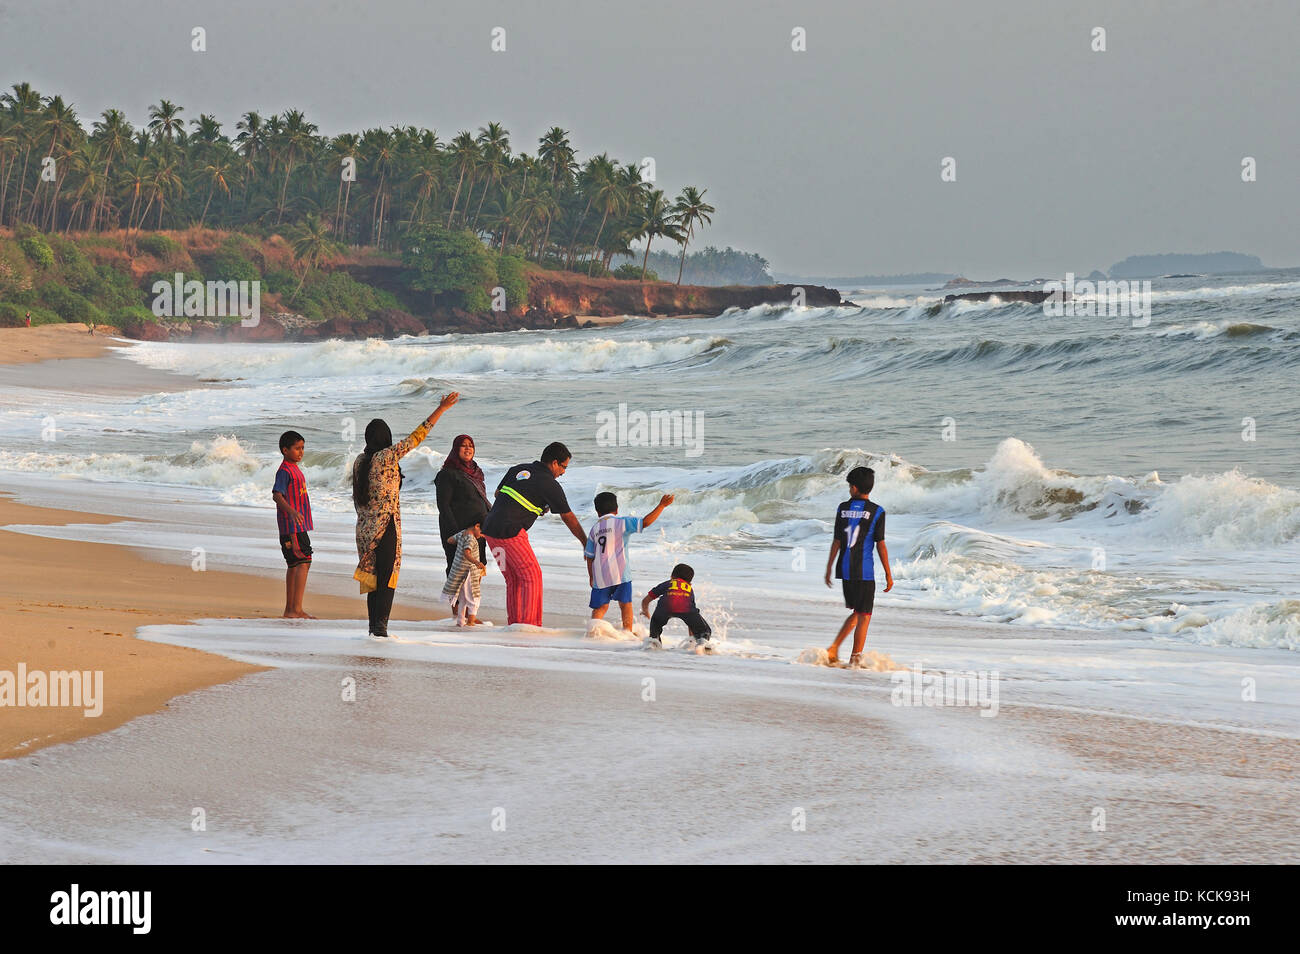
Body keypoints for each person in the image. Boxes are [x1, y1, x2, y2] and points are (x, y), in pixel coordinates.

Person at [352, 392, 459, 638]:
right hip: (385, 526)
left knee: (372, 579)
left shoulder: (361, 461)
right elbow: (416, 437)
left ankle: (373, 629)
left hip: (364, 529)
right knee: (387, 578)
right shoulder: (385, 457)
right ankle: (381, 630)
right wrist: (441, 409)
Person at [481, 441, 587, 627]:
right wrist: (585, 542)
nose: (563, 472)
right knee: (532, 576)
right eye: (563, 467)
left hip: (490, 530)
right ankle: (529, 627)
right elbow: (568, 517)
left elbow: (499, 494)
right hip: (510, 532)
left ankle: (514, 625)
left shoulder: (518, 469)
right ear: (554, 463)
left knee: (513, 579)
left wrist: (533, 504)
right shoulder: (549, 484)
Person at [824, 465, 894, 667]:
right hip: (864, 571)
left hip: (844, 569)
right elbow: (880, 544)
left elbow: (837, 540)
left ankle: (835, 647)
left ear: (854, 488)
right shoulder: (877, 512)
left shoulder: (842, 508)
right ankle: (855, 658)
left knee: (858, 612)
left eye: (849, 486)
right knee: (865, 616)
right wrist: (889, 574)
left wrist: (829, 567)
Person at [585, 490, 673, 633]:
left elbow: (589, 556)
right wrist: (661, 505)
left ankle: (593, 632)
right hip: (620, 573)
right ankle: (627, 634)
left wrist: (591, 576)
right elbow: (645, 522)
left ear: (597, 511)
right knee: (625, 604)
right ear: (617, 509)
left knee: (600, 607)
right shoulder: (622, 522)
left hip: (600, 575)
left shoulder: (594, 529)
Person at [272, 429, 314, 619]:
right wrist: (292, 511)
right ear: (285, 450)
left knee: (294, 564)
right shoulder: (284, 471)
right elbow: (277, 495)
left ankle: (291, 609)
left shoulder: (294, 469)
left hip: (297, 526)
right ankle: (295, 609)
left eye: (302, 448)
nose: (301, 452)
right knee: (303, 561)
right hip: (292, 527)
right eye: (297, 448)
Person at [434, 434, 488, 575]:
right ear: (456, 449)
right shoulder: (447, 474)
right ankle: (453, 599)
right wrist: (459, 534)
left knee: (476, 570)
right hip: (458, 532)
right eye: (464, 445)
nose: (468, 448)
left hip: (478, 531)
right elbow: (443, 506)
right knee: (457, 572)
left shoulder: (477, 472)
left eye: (471, 446)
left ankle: (471, 599)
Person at [641, 563, 712, 647]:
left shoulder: (667, 583)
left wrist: (645, 611)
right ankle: (701, 646)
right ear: (690, 582)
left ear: (672, 576)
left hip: (664, 608)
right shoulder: (689, 588)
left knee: (655, 630)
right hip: (686, 609)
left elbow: (646, 600)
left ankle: (653, 644)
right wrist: (691, 640)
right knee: (705, 631)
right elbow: (692, 618)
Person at [442, 520, 487, 626]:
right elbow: (467, 553)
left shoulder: (462, 533)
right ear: (477, 526)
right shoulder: (471, 539)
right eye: (481, 532)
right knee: (474, 598)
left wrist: (460, 541)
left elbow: (449, 540)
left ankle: (460, 622)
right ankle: (471, 622)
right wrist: (477, 562)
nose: (481, 535)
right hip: (468, 572)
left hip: (459, 571)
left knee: (462, 598)